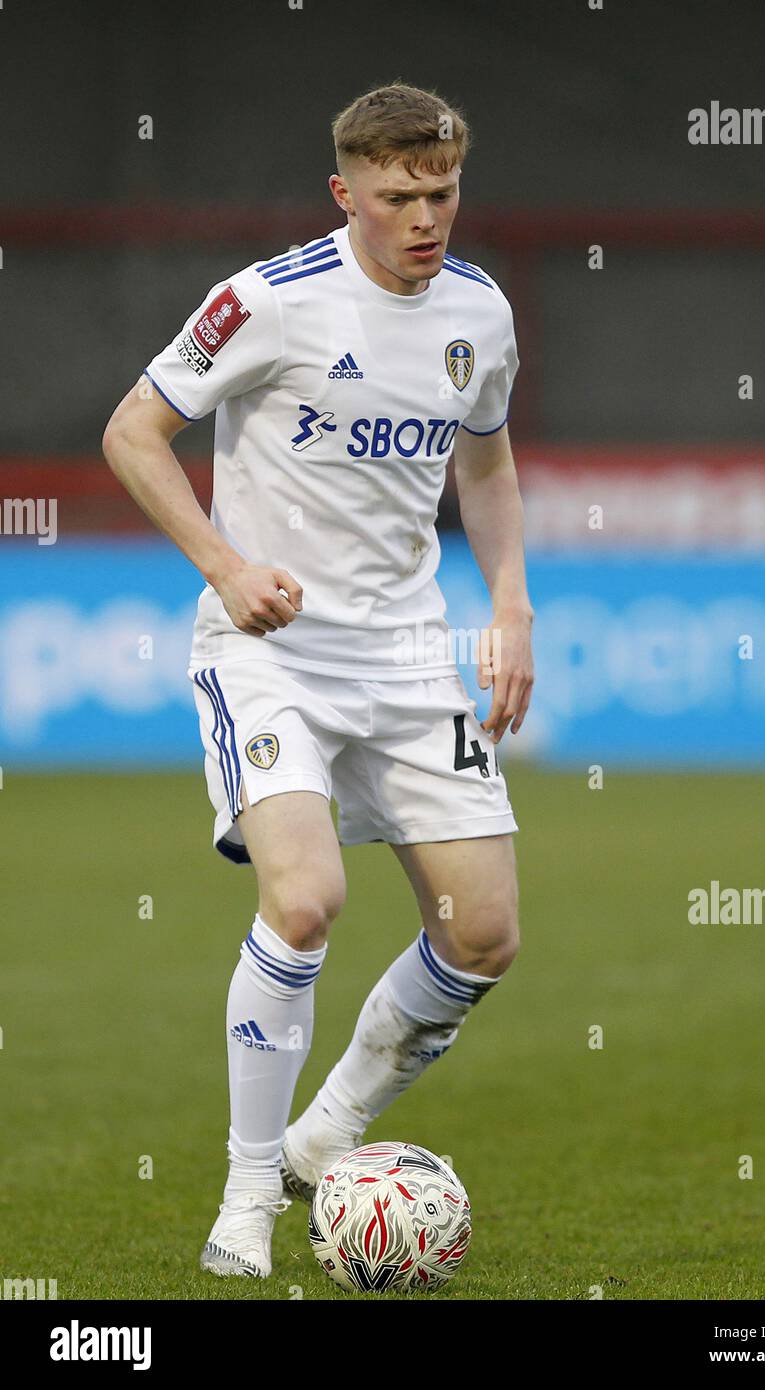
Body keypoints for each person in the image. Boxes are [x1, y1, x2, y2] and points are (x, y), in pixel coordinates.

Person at [102, 81, 534, 1278]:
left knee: (486, 934)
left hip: (408, 653)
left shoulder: (480, 314)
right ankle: (245, 1198)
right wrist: (226, 568)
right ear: (346, 192)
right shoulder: (267, 301)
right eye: (397, 197)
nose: (424, 218)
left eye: (441, 193)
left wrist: (511, 604)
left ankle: (323, 1137)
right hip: (270, 650)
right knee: (305, 901)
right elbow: (133, 431)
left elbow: (486, 470)